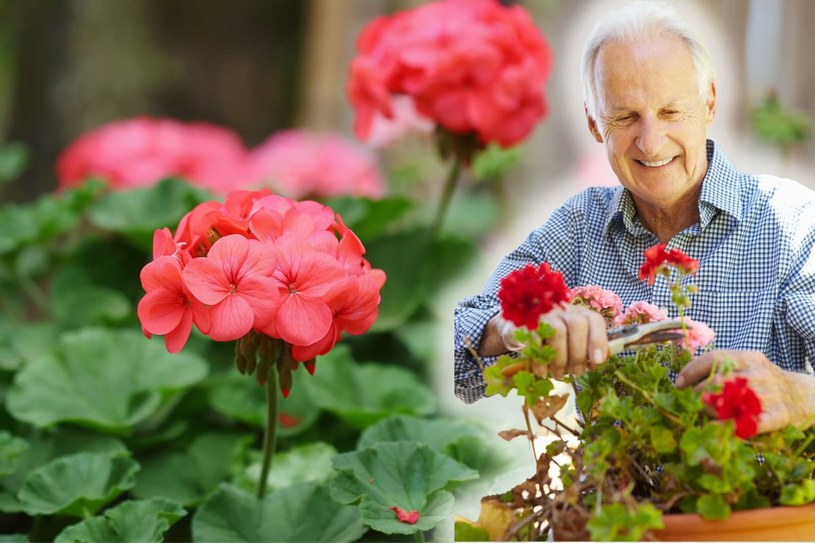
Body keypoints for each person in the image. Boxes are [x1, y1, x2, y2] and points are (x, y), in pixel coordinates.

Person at [453, 1, 815, 434]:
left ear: (710, 103)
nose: (650, 141)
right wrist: (516, 327)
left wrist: (798, 395)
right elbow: (463, 356)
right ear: (593, 123)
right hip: (615, 499)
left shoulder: (791, 222)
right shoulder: (577, 227)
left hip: (756, 498)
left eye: (671, 112)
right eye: (625, 117)